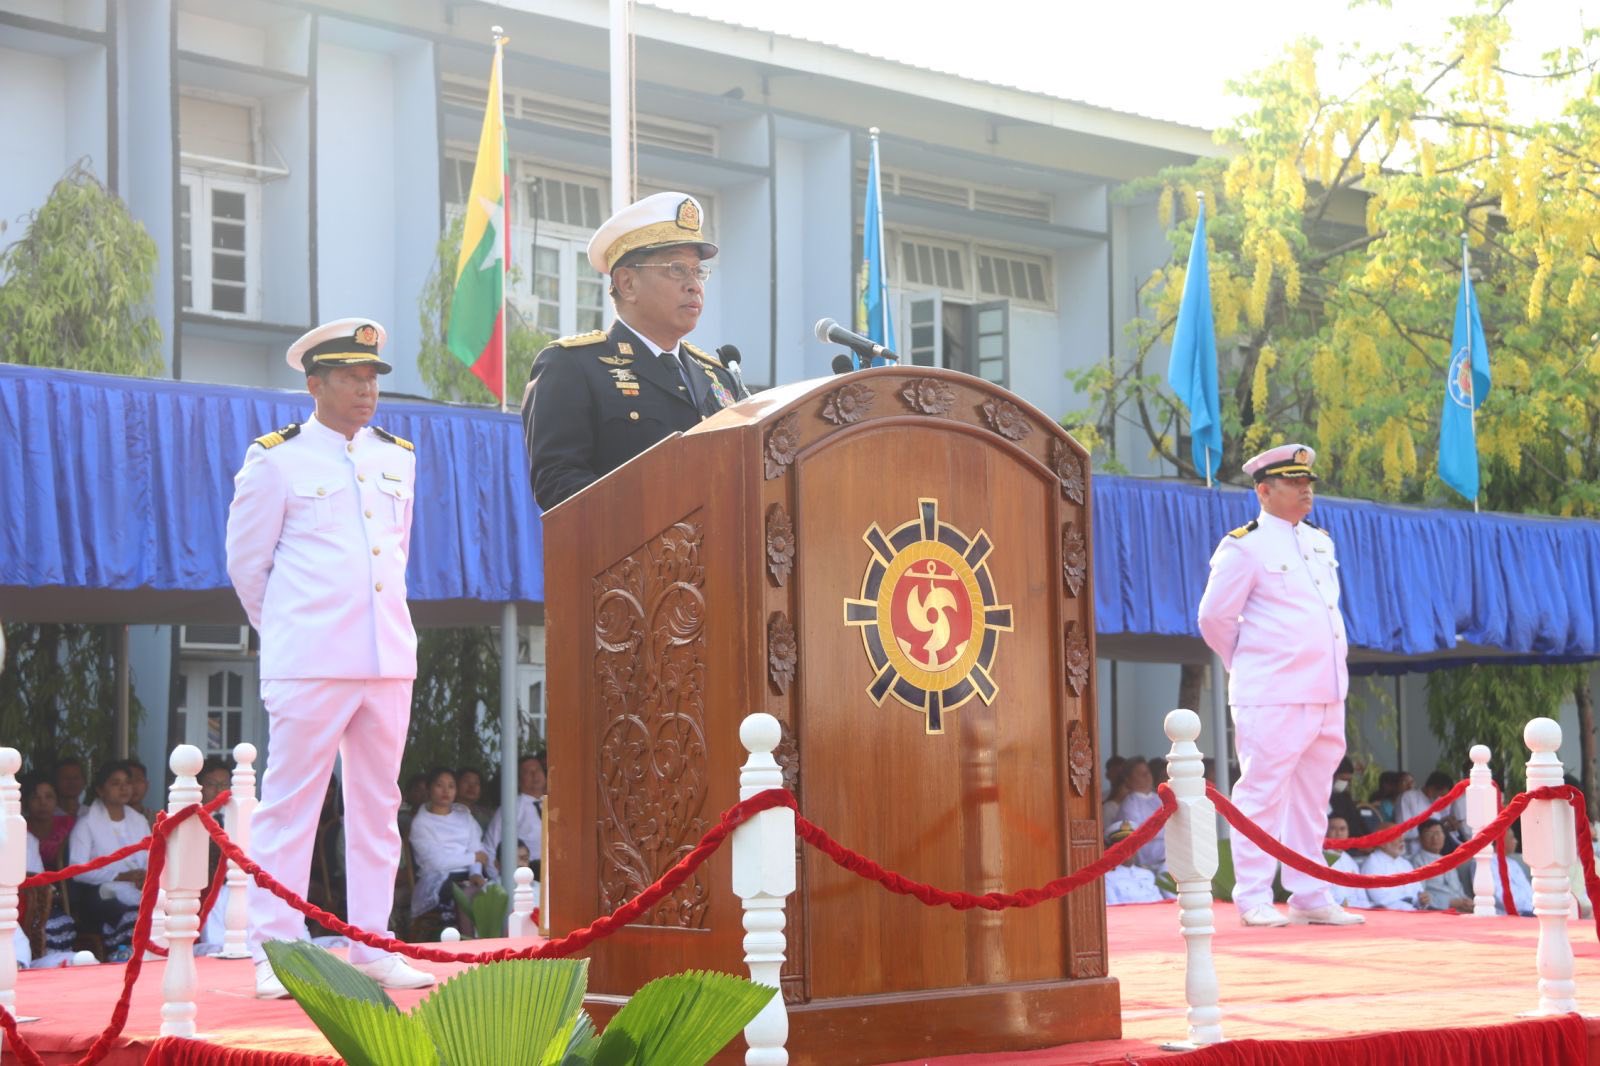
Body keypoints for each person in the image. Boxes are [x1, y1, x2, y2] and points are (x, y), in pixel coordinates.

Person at [225, 317, 433, 998]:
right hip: (310, 661)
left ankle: (372, 944)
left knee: (378, 807)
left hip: (387, 657)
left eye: (372, 377)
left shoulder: (397, 456)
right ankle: (277, 952)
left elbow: (394, 556)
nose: (365, 389)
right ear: (315, 385)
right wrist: (291, 634)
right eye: (350, 377)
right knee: (291, 808)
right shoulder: (276, 459)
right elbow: (247, 566)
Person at [1197, 443, 1363, 928]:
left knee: (1313, 797)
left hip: (1326, 689)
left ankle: (1309, 893)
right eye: (1293, 482)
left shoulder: (1319, 542)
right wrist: (1248, 664)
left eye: (1307, 482)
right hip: (1272, 692)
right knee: (1262, 794)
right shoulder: (1244, 546)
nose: (1305, 490)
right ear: (1264, 491)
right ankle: (1252, 895)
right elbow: (1214, 618)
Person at [521, 191, 741, 511]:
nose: (694, 285)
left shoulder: (719, 377)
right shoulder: (572, 366)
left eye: (698, 271)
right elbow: (558, 484)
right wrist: (661, 513)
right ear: (627, 283)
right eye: (677, 269)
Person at [66, 761, 150, 961]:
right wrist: (119, 876)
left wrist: (147, 876)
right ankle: (124, 956)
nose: (124, 788)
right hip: (98, 893)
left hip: (140, 889)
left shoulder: (139, 821)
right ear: (100, 790)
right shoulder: (86, 824)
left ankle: (151, 955)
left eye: (127, 782)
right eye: (115, 783)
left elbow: (151, 856)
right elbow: (77, 870)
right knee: (129, 914)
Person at [407, 768, 494, 935]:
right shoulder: (421, 823)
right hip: (439, 878)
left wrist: (475, 873)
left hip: (468, 874)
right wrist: (473, 857)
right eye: (440, 785)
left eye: (451, 786)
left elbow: (477, 849)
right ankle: (467, 938)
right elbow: (436, 862)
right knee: (466, 893)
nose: (446, 791)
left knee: (494, 890)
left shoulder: (464, 816)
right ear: (429, 789)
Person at [486, 754, 545, 879]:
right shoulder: (511, 807)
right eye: (528, 772)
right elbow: (491, 847)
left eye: (538, 769)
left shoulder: (555, 804)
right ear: (518, 780)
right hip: (528, 874)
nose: (535, 774)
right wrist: (500, 881)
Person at [1360, 833, 1428, 911]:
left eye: (1401, 836)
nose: (1402, 840)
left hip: (1413, 912)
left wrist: (1422, 900)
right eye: (1396, 836)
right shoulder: (1372, 864)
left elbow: (1419, 893)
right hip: (1393, 915)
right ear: (1382, 843)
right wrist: (1413, 909)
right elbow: (1382, 901)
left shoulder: (1405, 863)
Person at [1322, 815, 1373, 910]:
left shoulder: (1351, 862)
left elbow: (1362, 897)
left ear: (1348, 833)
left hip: (1355, 910)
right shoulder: (1319, 859)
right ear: (1325, 831)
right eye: (1333, 828)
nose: (1338, 833)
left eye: (1342, 829)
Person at [22, 775, 71, 869]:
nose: (43, 803)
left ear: (57, 800)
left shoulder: (69, 825)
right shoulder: (18, 829)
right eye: (35, 797)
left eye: (49, 797)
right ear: (26, 802)